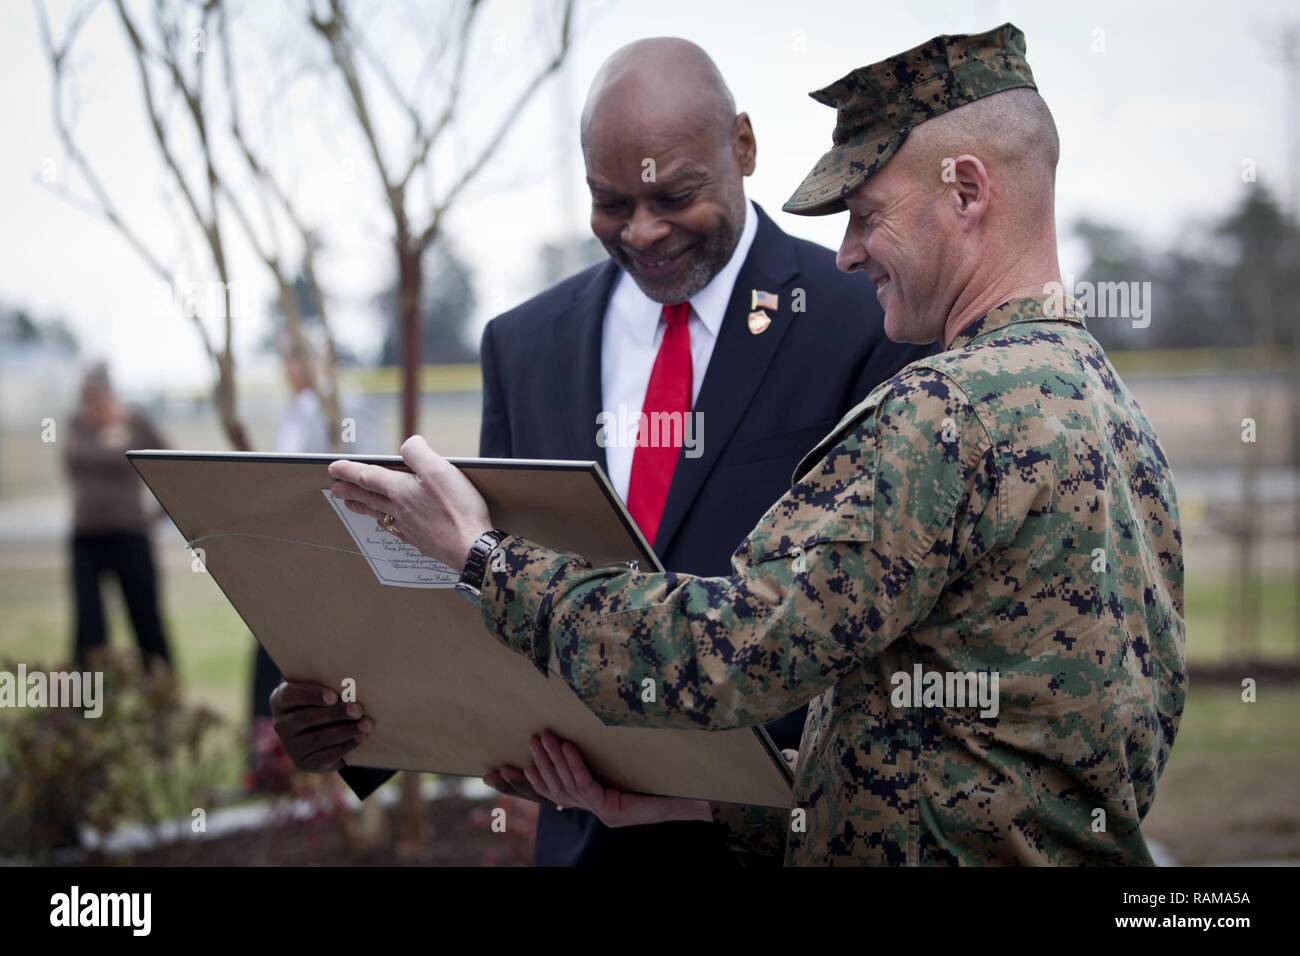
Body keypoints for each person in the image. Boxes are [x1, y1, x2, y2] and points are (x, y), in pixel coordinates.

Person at [326, 23, 1187, 866]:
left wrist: (483, 561)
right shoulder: (1105, 404)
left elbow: (730, 653)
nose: (846, 254)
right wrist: (696, 808)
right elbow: (967, 774)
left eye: (867, 216)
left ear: (966, 191)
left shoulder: (946, 410)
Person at [270, 37, 931, 866]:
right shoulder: (523, 345)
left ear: (745, 147)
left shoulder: (866, 323)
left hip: (774, 839)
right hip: (578, 844)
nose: (644, 231)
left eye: (674, 195)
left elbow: (881, 628)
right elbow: (491, 593)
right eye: (611, 202)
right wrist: (356, 719)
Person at [249, 347, 333, 793]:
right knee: (269, 649)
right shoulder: (295, 409)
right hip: (287, 547)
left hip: (310, 552)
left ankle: (280, 761)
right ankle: (267, 756)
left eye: (295, 358)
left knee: (288, 654)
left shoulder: (325, 409)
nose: (288, 368)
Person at [64, 362, 172, 674]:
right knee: (88, 623)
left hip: (129, 535)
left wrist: (158, 514)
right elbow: (70, 465)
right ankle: (84, 702)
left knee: (145, 617)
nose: (91, 404)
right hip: (86, 536)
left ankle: (161, 689)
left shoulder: (134, 421)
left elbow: (168, 464)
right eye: (86, 397)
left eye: (96, 395)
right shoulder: (76, 424)